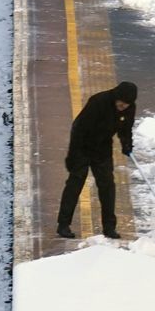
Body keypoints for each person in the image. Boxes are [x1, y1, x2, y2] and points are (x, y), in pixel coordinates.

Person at [55, 81, 137, 239]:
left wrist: (127, 144)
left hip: (102, 149)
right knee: (75, 183)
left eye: (126, 105)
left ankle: (109, 227)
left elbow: (126, 129)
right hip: (82, 146)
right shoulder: (98, 101)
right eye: (120, 104)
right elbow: (78, 128)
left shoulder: (129, 108)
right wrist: (72, 156)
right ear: (116, 97)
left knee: (107, 186)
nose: (122, 107)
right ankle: (63, 225)